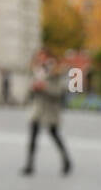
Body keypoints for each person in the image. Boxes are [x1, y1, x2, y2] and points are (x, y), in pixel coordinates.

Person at [21, 48, 72, 176]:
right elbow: (29, 90)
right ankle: (29, 165)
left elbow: (60, 91)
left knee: (55, 136)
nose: (41, 60)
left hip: (50, 110)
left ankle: (66, 161)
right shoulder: (36, 71)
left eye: (43, 57)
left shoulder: (56, 72)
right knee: (32, 138)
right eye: (39, 57)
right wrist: (33, 88)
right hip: (37, 109)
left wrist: (45, 87)